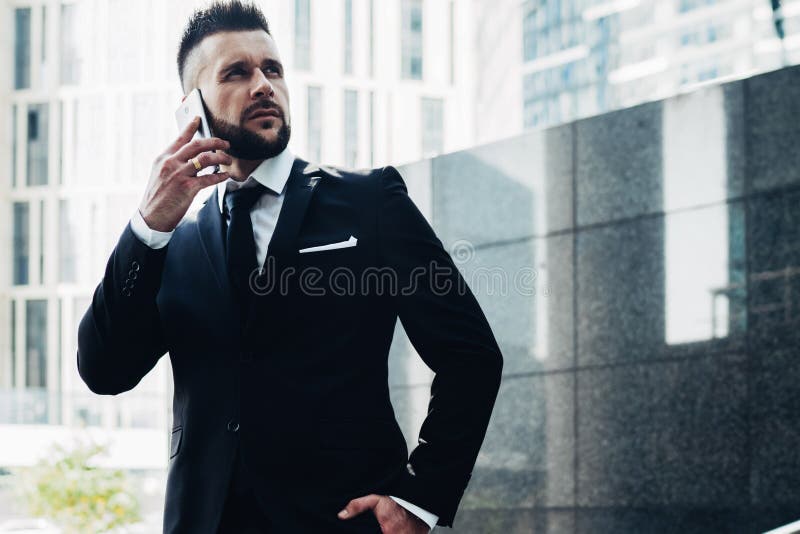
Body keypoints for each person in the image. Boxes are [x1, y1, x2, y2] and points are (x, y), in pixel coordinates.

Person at [76, 1, 503, 532]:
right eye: (237, 72)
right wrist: (147, 227)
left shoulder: (370, 202)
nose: (263, 85)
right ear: (191, 109)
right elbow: (104, 371)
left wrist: (420, 497)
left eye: (272, 69)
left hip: (339, 519)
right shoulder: (171, 245)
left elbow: (470, 356)